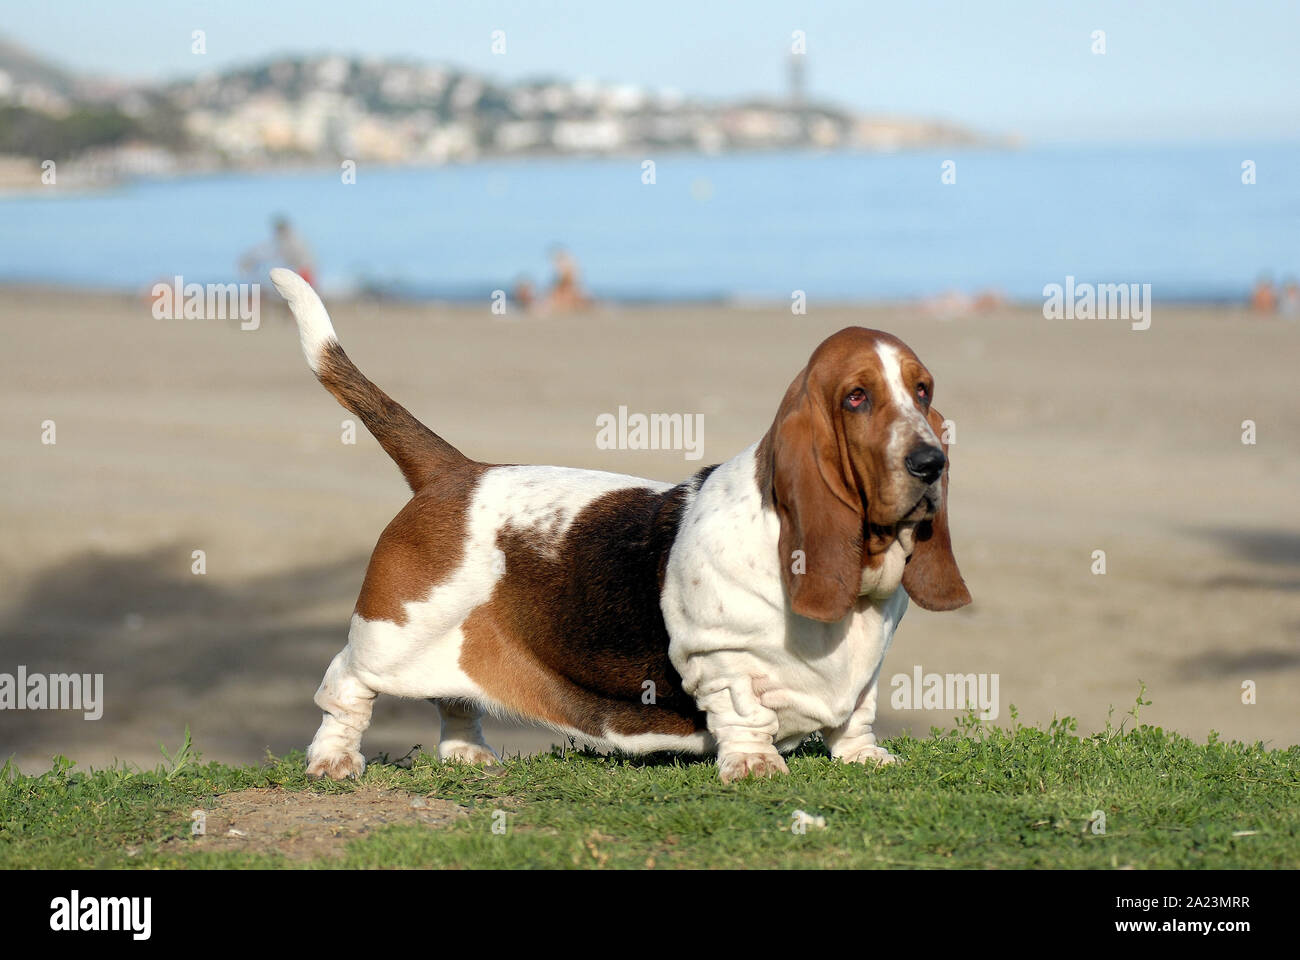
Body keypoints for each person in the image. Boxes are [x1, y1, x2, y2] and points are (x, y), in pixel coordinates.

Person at [240, 216, 317, 285]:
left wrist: (251, 258)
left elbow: (271, 251)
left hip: (303, 271)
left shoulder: (292, 240)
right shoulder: (288, 239)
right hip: (300, 271)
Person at [543, 246, 591, 313]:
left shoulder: (568, 266)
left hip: (569, 290)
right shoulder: (570, 266)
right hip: (569, 289)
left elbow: (568, 281)